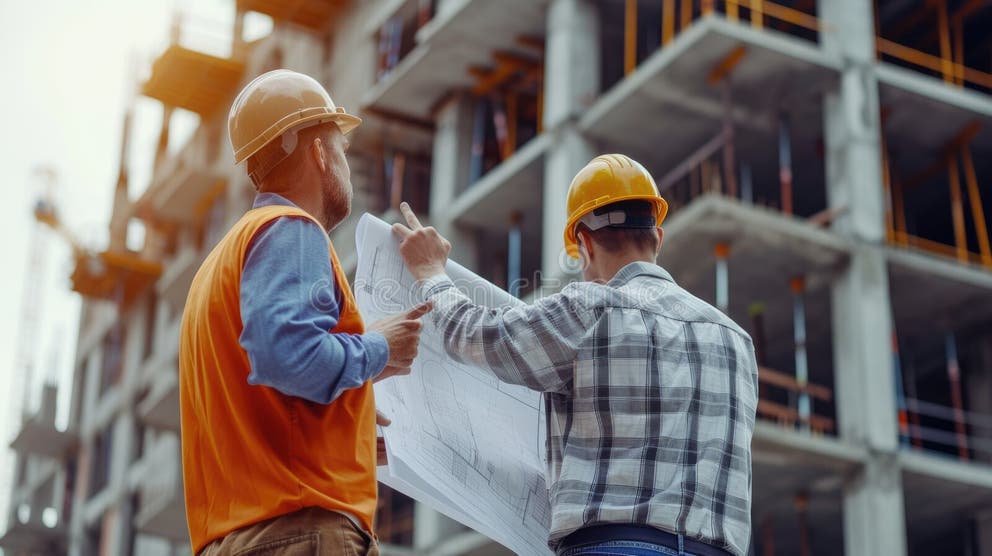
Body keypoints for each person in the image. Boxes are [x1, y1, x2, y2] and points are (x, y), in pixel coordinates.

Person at [392, 154, 757, 556]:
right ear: (658, 236)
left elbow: (476, 336)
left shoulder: (591, 308)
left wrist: (431, 274)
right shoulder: (735, 340)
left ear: (582, 243)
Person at [179, 69, 431, 556]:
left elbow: (262, 399)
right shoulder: (291, 229)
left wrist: (350, 431)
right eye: (342, 150)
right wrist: (381, 347)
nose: (346, 165)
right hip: (299, 533)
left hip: (237, 537)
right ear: (319, 153)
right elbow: (289, 356)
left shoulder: (220, 265)